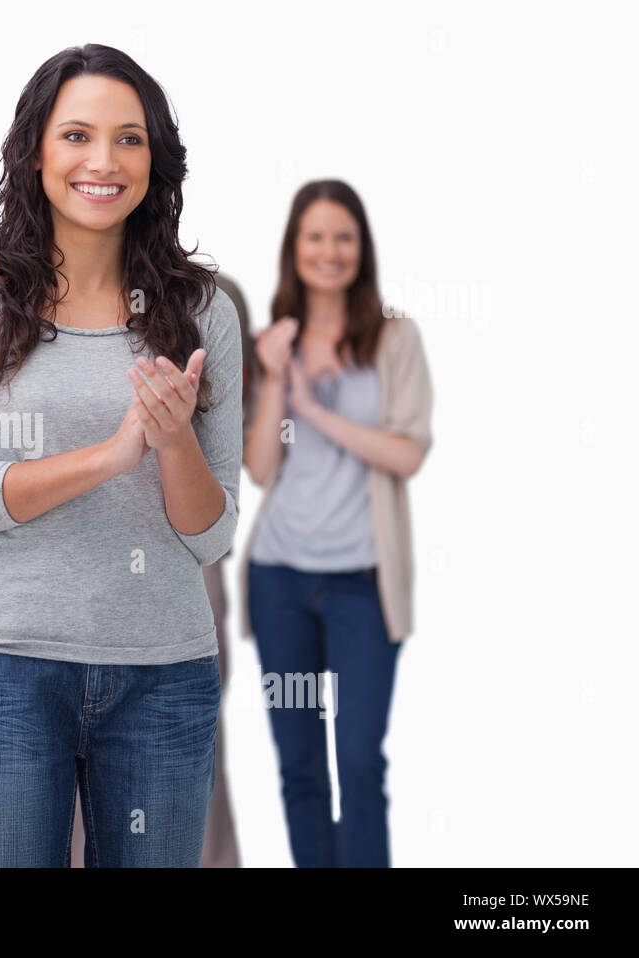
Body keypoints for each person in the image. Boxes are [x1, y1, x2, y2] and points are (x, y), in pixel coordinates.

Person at [0, 44, 243, 868]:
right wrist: (108, 455)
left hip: (164, 674)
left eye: (130, 139)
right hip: (6, 671)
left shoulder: (207, 310)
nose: (104, 161)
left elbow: (212, 534)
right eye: (78, 136)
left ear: (155, 158)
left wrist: (169, 445)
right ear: (35, 151)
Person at [238, 179, 434, 867]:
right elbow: (260, 467)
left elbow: (407, 453)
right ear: (294, 248)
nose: (329, 251)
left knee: (358, 762)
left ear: (362, 248)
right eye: (315, 237)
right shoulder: (275, 341)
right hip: (280, 580)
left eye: (343, 237)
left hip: (362, 585)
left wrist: (316, 409)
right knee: (299, 767)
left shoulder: (395, 338)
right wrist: (277, 376)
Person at [68, 271, 256, 869]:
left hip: (184, 565)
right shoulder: (55, 303)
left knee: (188, 747)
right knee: (69, 749)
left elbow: (231, 457)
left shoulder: (216, 304)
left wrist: (175, 435)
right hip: (76, 564)